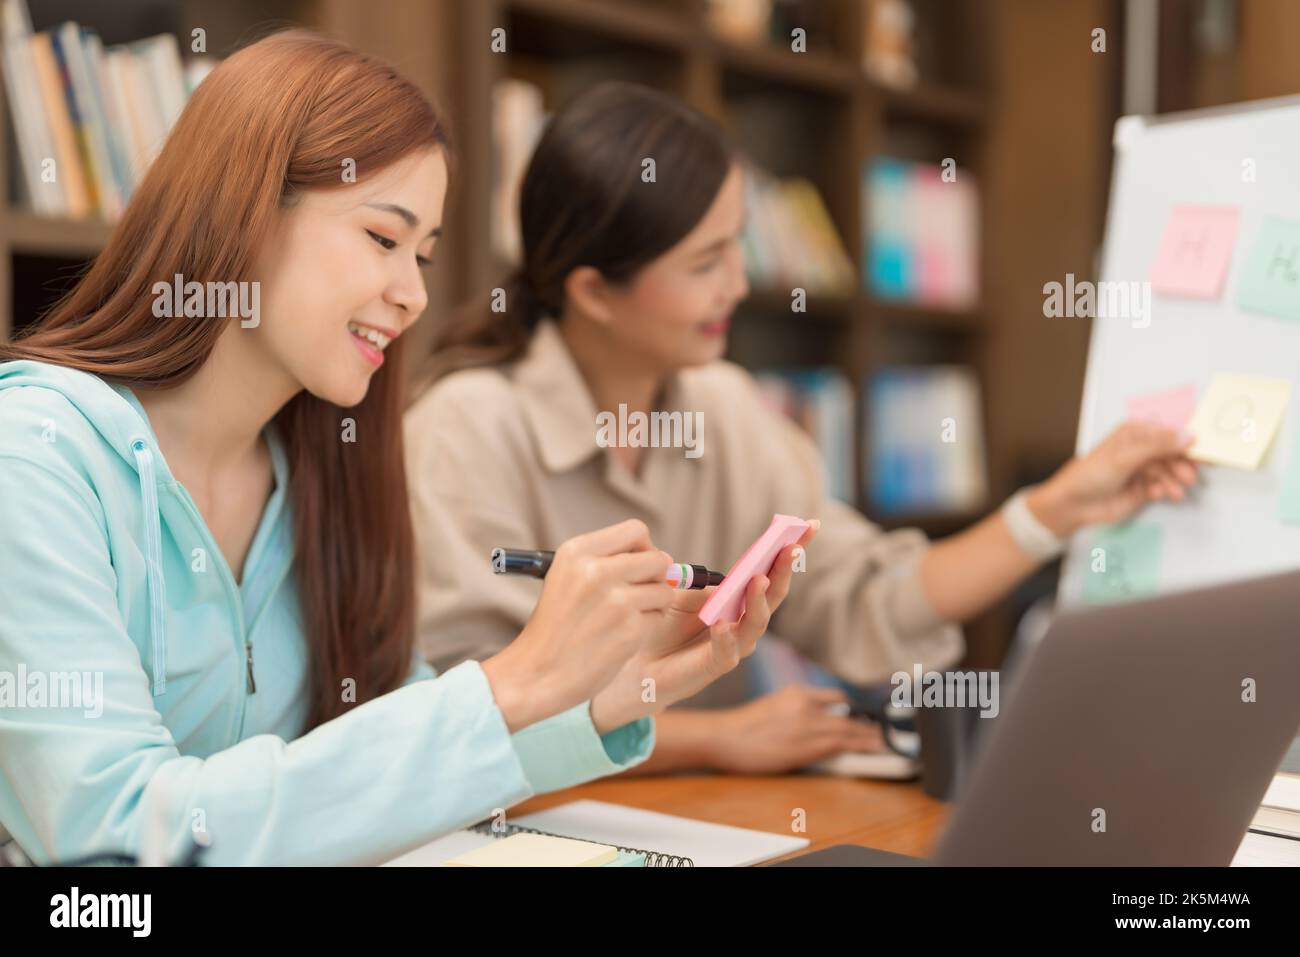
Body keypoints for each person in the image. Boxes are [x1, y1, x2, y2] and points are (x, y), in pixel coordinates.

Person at [0, 34, 809, 866]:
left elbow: (402, 761)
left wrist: (607, 693)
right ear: (239, 214)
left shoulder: (317, 472)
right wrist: (509, 681)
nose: (414, 294)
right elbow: (113, 839)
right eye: (384, 240)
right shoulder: (36, 460)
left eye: (423, 254)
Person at [406, 82, 1198, 775]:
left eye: (738, 245)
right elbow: (475, 715)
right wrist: (714, 738)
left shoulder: (723, 406)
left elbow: (866, 597)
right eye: (705, 262)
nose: (741, 284)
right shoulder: (463, 428)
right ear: (596, 291)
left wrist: (1059, 507)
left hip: (722, 822)